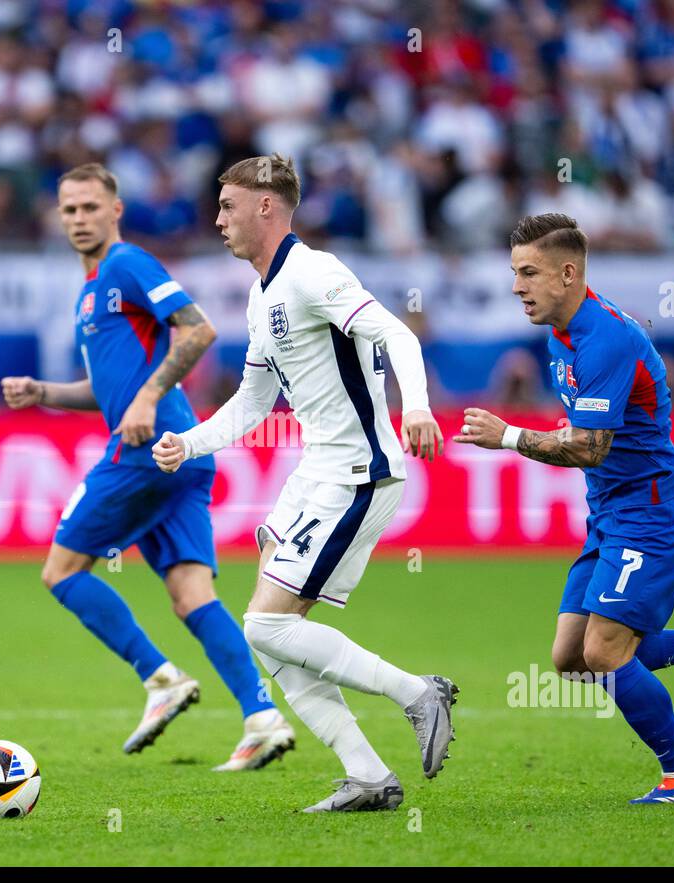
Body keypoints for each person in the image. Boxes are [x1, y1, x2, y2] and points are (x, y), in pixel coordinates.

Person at [153, 154, 458, 812]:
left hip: (358, 471)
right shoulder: (264, 295)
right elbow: (252, 404)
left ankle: (417, 693)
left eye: (228, 205)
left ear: (267, 206)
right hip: (315, 472)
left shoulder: (314, 273)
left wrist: (418, 408)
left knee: (266, 625)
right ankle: (368, 775)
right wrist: (189, 442)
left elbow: (396, 333)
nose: (217, 218)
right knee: (271, 634)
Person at [453, 213, 674, 804]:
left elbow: (591, 447)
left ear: (568, 273)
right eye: (514, 272)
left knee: (604, 651)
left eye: (529, 273)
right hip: (612, 514)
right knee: (572, 658)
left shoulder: (607, 339)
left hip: (652, 514)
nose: (517, 286)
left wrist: (510, 437)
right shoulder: (561, 333)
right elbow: (589, 434)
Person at [1, 163, 294, 771]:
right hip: (179, 453)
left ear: (116, 210)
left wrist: (144, 398)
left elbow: (198, 330)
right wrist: (45, 393)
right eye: (69, 209)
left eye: (90, 207)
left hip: (147, 448)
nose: (79, 219)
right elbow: (108, 386)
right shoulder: (89, 291)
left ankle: (159, 679)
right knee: (192, 595)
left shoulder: (126, 265)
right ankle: (262, 718)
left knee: (60, 572)